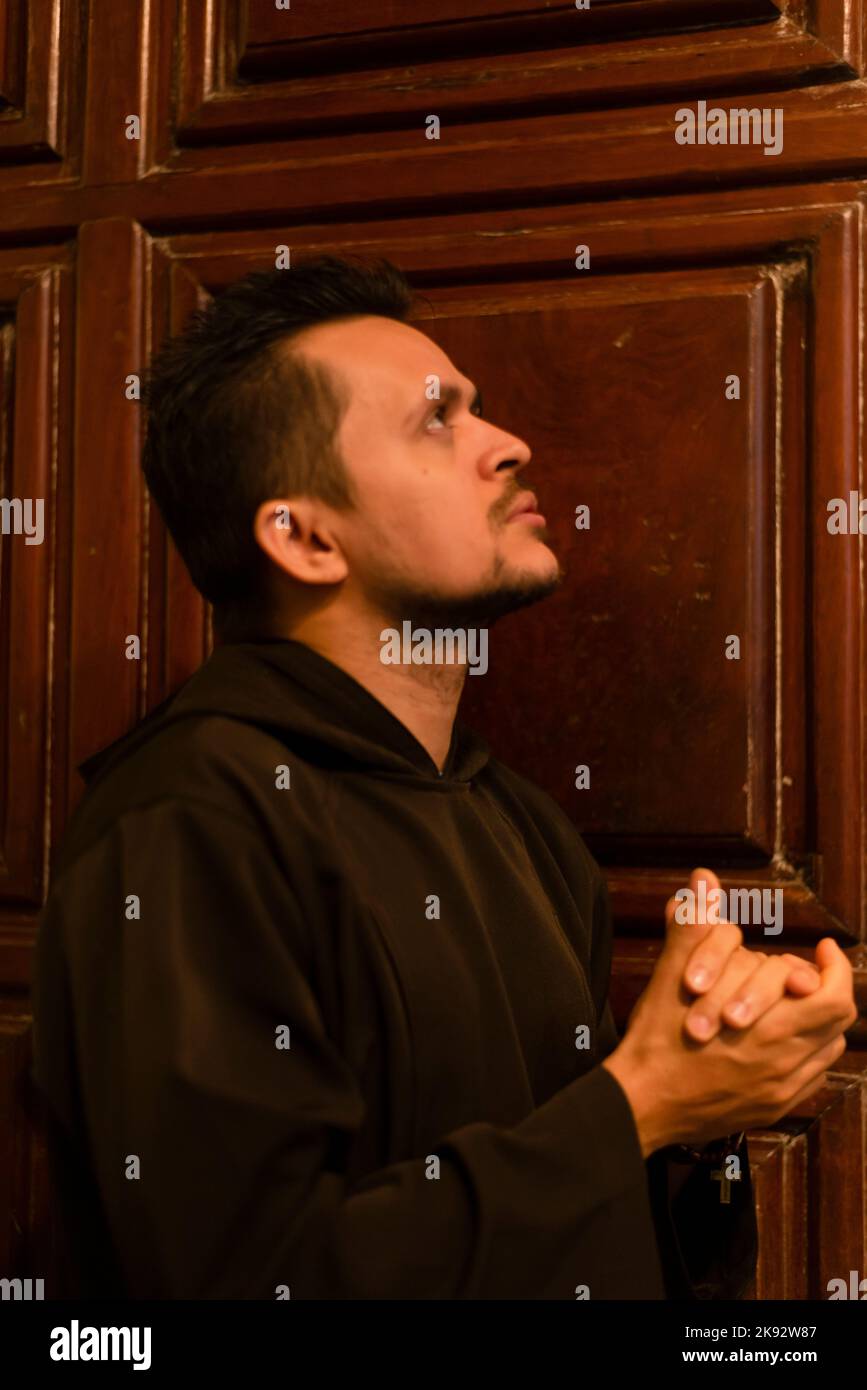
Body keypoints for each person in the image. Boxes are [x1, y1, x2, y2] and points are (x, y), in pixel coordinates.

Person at [32, 255, 857, 1300]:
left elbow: (621, 1246)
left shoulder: (522, 824)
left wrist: (710, 1094)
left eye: (481, 411)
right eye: (437, 420)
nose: (508, 444)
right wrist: (643, 1099)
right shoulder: (184, 820)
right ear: (303, 534)